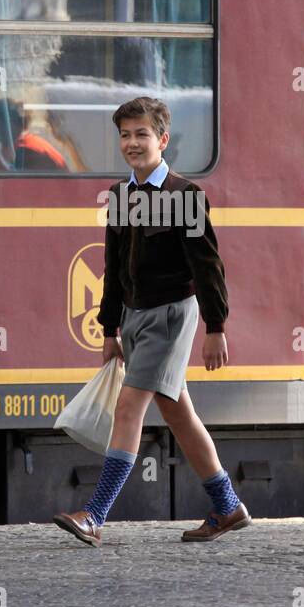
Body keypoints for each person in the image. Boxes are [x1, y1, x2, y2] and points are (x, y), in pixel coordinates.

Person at [53, 96, 244, 546]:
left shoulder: (185, 196)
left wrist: (216, 328)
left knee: (128, 406)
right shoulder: (121, 196)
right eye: (125, 135)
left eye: (142, 134)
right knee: (179, 414)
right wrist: (109, 329)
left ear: (162, 139)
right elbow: (114, 266)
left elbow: (208, 267)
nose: (132, 143)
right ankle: (228, 506)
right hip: (137, 318)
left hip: (172, 316)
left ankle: (95, 515)